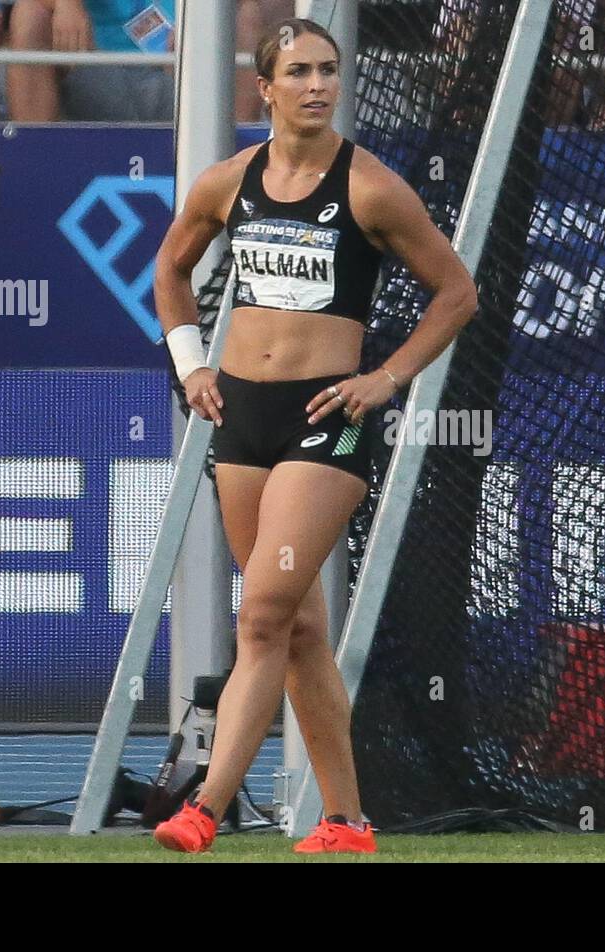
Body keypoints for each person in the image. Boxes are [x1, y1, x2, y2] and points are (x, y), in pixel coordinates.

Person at [151, 17, 477, 853]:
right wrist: (192, 365)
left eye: (328, 70)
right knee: (296, 631)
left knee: (259, 616)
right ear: (265, 88)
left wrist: (386, 378)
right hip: (242, 417)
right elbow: (172, 271)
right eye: (298, 72)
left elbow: (456, 293)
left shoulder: (370, 187)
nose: (318, 85)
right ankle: (347, 822)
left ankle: (204, 807)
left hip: (322, 423)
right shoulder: (226, 182)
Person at [6, 0, 176, 123]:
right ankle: (34, 153)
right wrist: (66, 4)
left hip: (179, 75)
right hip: (92, 64)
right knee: (29, 11)